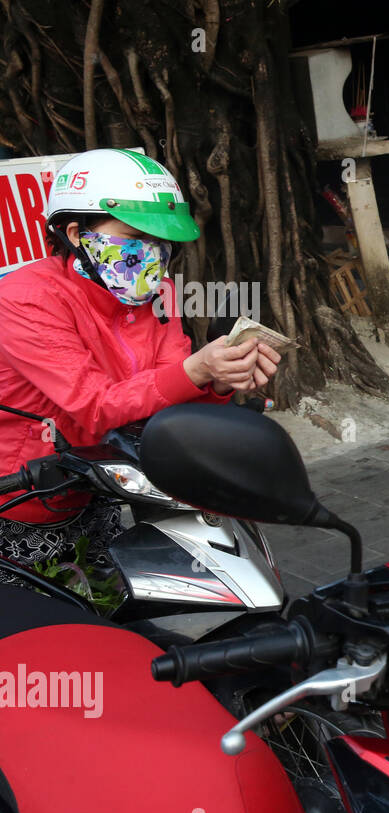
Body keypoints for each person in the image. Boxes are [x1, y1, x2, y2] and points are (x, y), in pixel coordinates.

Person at [0, 148, 280, 581]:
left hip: (100, 489)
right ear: (76, 233)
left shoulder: (157, 293)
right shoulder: (24, 299)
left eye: (160, 240)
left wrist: (222, 381)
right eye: (135, 236)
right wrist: (198, 370)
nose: (151, 254)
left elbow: (167, 402)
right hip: (19, 503)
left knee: (111, 625)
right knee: (45, 638)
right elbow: (93, 406)